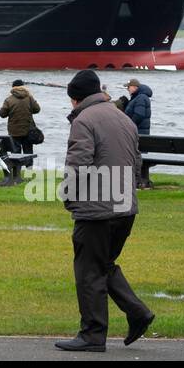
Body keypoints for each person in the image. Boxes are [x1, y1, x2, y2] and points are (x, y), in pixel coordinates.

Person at [55, 70, 153, 353]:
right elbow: (136, 163)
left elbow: (79, 163)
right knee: (103, 265)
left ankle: (92, 334)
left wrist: (68, 197)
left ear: (76, 99)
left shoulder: (84, 120)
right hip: (124, 208)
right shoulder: (123, 117)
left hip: (97, 210)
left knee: (88, 271)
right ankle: (138, 313)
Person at [0, 79, 40, 159]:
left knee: (15, 152)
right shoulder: (30, 98)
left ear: (13, 88)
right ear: (23, 87)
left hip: (14, 131)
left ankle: (16, 169)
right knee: (28, 151)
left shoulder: (9, 100)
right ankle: (29, 168)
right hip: (28, 130)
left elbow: (2, 114)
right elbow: (37, 109)